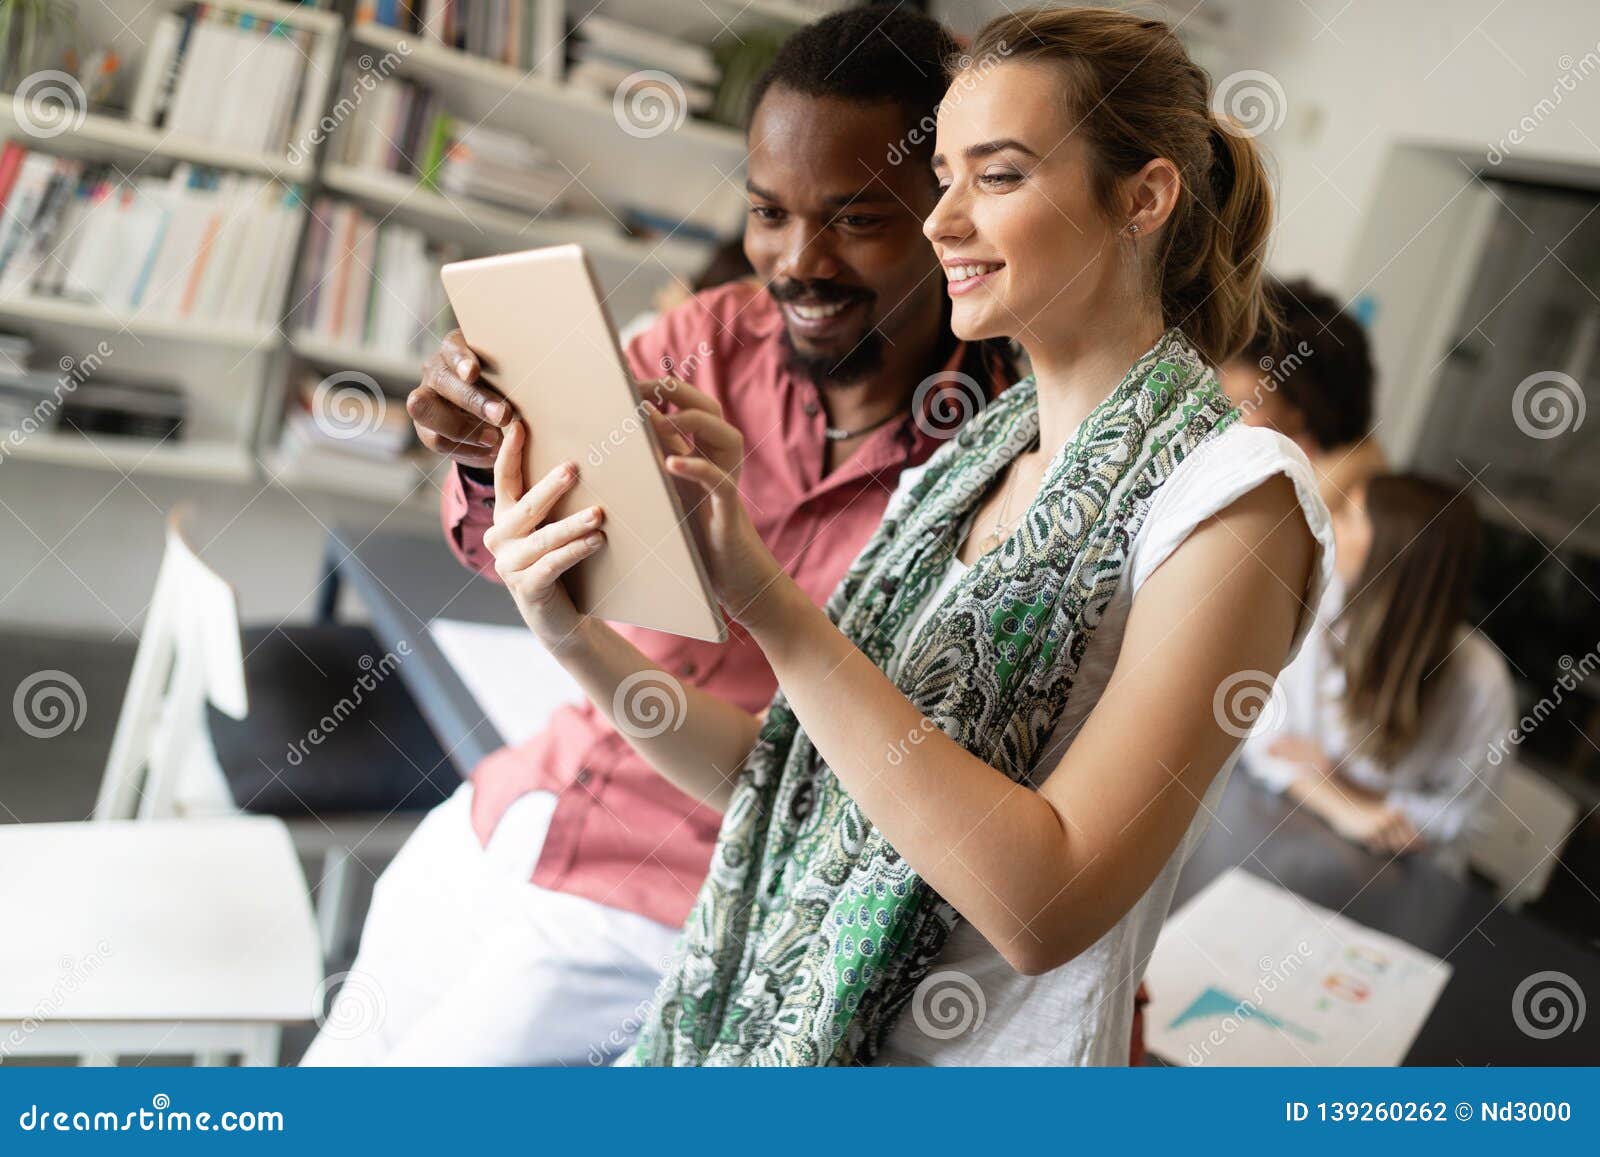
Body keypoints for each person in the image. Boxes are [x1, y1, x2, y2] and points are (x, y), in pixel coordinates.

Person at [481, 5, 1334, 1066]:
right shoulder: (962, 464)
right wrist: (569, 630)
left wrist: (768, 602)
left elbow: (1043, 901)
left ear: (1142, 198)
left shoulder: (1233, 498)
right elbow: (795, 777)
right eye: (944, 176)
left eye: (1001, 175)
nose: (940, 220)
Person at [303, 6, 1021, 1066]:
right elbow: (537, 543)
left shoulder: (999, 461)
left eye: (855, 219)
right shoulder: (706, 340)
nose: (796, 263)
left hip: (679, 890)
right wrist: (483, 453)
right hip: (534, 797)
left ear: (944, 212)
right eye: (768, 212)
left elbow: (865, 775)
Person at [1242, 473, 1515, 874]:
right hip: (1290, 843)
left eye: (1351, 517)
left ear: (1392, 555)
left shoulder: (1480, 680)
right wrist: (1341, 806)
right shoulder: (1317, 607)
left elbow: (1466, 819)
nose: (1333, 520)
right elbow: (1257, 732)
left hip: (1402, 875)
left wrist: (1342, 783)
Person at [1216, 277, 1388, 516]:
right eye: (1222, 396)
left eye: (1247, 402)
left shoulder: (1345, 506)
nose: (1222, 417)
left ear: (1303, 412)